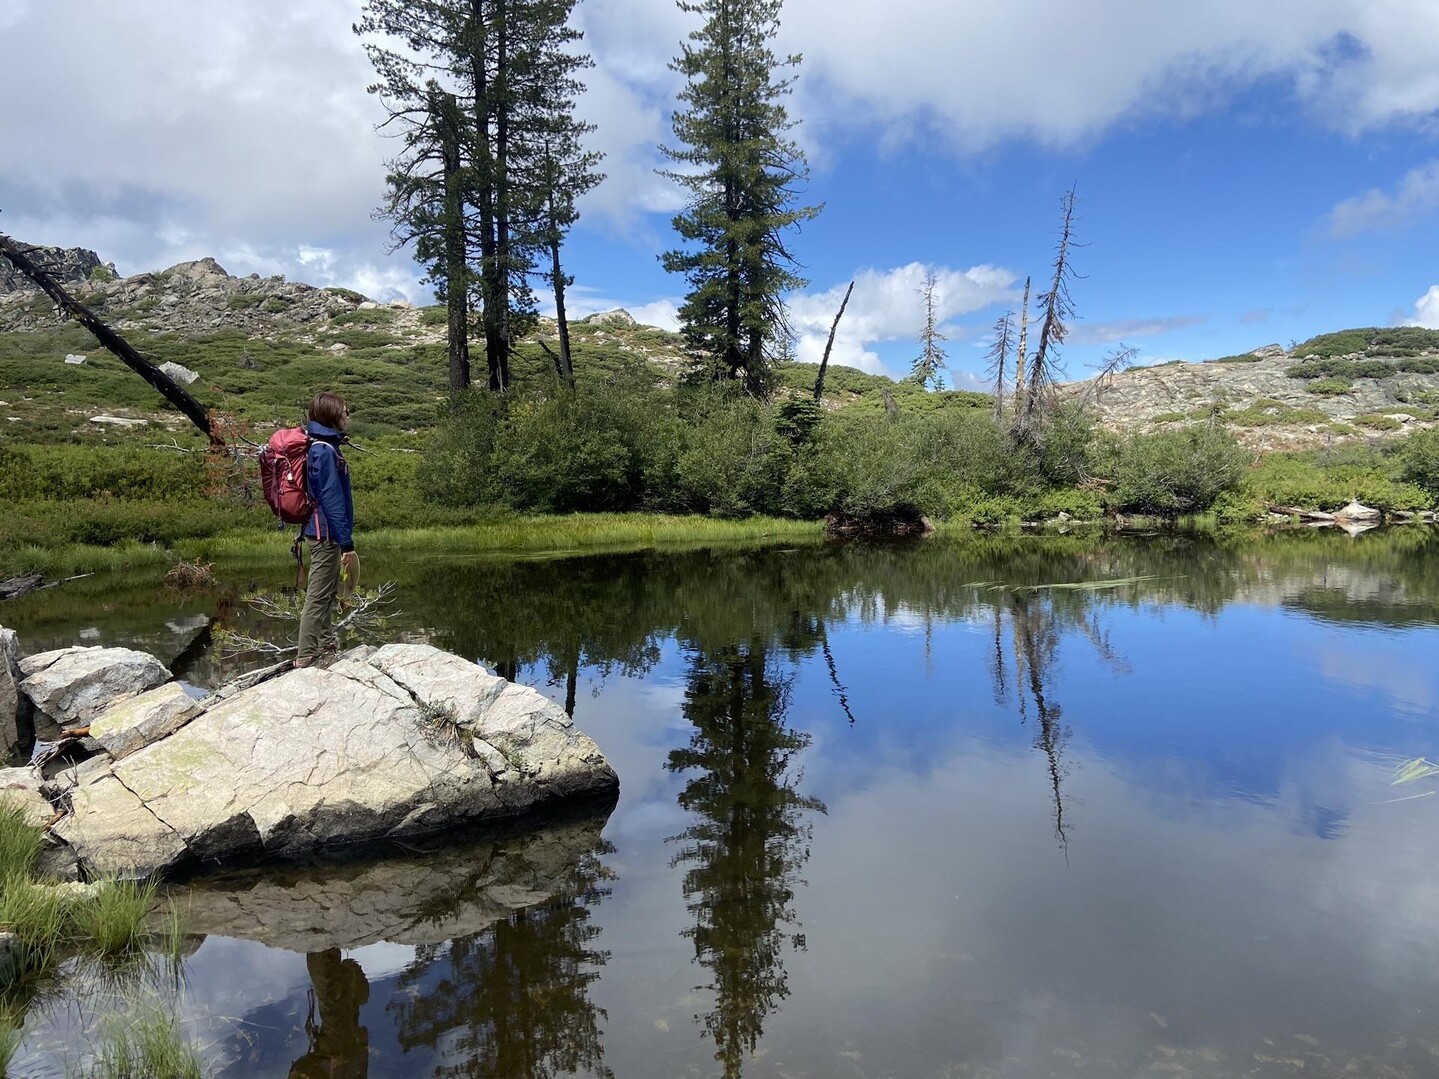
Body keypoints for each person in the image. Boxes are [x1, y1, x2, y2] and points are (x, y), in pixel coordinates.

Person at [295, 391, 357, 669]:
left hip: (323, 533)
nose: (347, 415)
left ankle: (326, 648)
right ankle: (306, 657)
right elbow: (332, 500)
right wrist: (347, 544)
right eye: (345, 410)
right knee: (319, 594)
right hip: (324, 535)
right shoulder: (323, 450)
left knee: (327, 590)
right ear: (332, 415)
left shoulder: (324, 446)